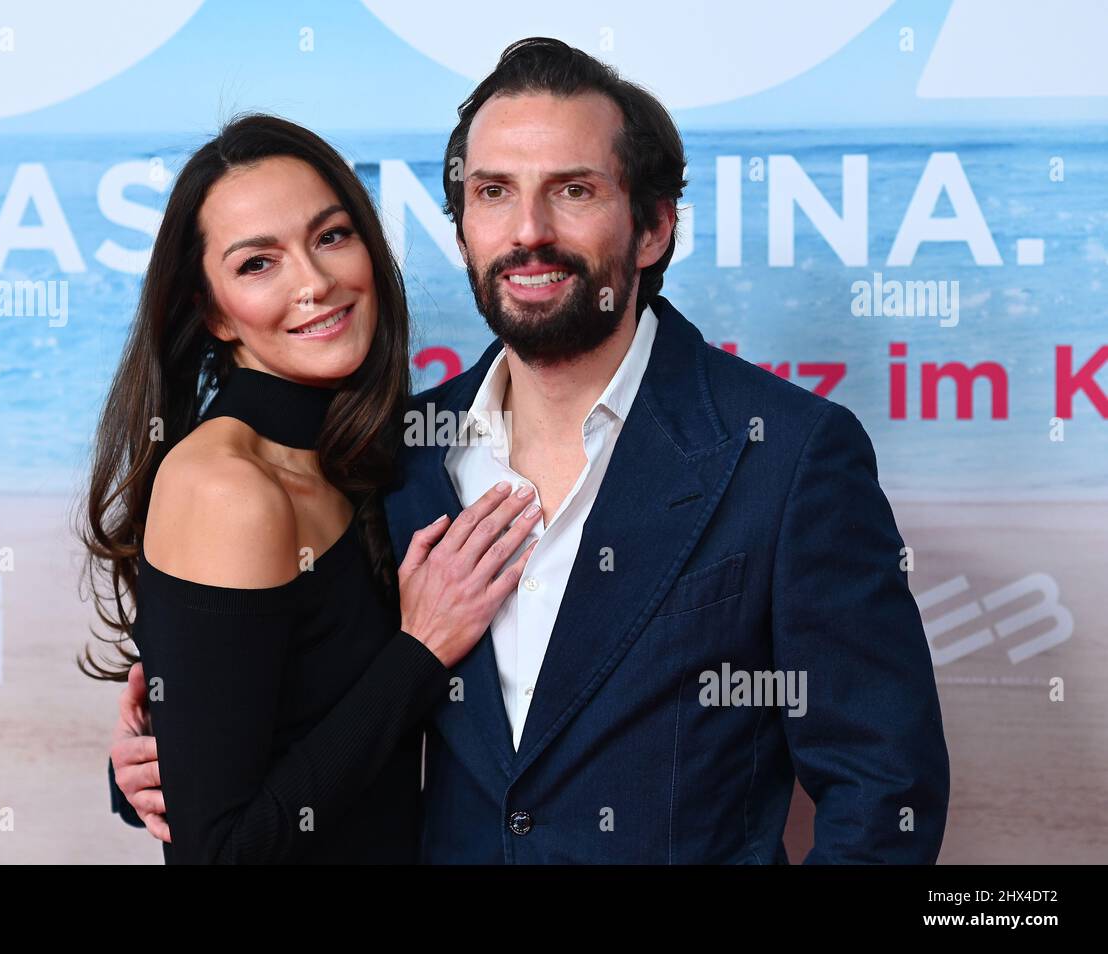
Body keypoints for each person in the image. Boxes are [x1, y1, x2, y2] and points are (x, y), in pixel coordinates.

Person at [113, 38, 951, 864]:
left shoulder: (789, 457)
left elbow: (885, 793)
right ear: (465, 227)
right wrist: (150, 761)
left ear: (653, 227)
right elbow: (297, 700)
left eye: (574, 190)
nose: (529, 231)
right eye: (493, 193)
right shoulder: (395, 458)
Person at [80, 114, 539, 863]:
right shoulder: (229, 488)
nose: (315, 283)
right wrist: (419, 653)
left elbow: (277, 721)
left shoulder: (370, 447)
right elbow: (221, 851)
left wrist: (157, 762)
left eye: (330, 237)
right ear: (213, 313)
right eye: (257, 264)